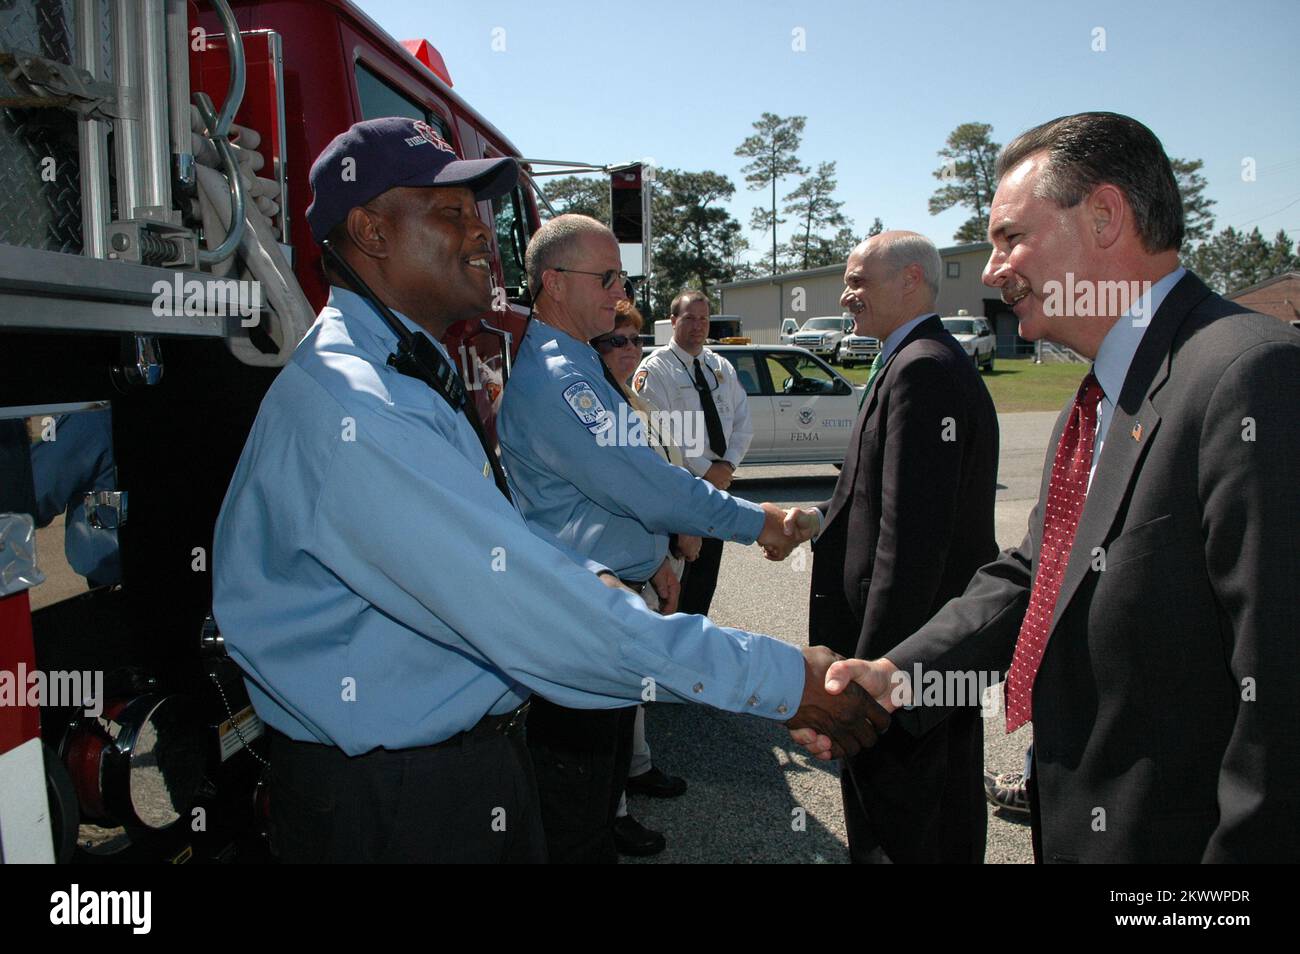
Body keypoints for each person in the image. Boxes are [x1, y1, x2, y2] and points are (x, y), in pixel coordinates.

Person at [212, 117, 887, 864]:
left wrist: (600, 570)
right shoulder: (360, 404)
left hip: (447, 764)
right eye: (452, 213)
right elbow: (535, 600)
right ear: (372, 231)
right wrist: (782, 676)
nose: (482, 234)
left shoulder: (406, 369)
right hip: (401, 798)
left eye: (480, 212)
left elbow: (500, 541)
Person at [803, 112, 1300, 863]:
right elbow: (1035, 575)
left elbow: (1281, 702)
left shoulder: (1249, 375)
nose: (996, 269)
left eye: (1010, 238)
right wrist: (893, 677)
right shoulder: (1099, 394)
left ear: (1104, 216)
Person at [497, 213, 817, 863]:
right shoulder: (564, 379)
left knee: (601, 782)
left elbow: (622, 490)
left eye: (623, 276)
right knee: (574, 808)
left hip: (605, 596)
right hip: (577, 623)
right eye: (607, 277)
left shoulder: (576, 363)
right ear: (554, 283)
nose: (621, 292)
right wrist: (764, 522)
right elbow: (649, 487)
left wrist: (654, 559)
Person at [804, 231, 999, 863]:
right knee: (930, 809)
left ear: (911, 279)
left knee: (905, 820)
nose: (846, 293)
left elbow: (912, 545)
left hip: (904, 661)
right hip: (917, 663)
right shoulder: (913, 358)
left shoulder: (922, 369)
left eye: (859, 280)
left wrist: (878, 674)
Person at [594, 300, 693, 856]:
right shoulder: (591, 411)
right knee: (613, 691)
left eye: (633, 339)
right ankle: (613, 812)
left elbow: (668, 467)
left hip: (653, 561)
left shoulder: (633, 399)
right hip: (618, 572)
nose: (628, 350)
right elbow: (626, 494)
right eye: (612, 341)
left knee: (635, 687)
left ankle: (636, 768)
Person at [634, 290, 754, 616]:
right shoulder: (654, 371)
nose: (698, 326)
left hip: (715, 493)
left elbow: (743, 423)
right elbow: (659, 436)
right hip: (680, 494)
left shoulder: (721, 367)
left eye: (704, 319)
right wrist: (706, 470)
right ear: (673, 321)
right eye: (689, 318)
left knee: (704, 586)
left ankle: (698, 652)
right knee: (672, 593)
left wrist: (727, 466)